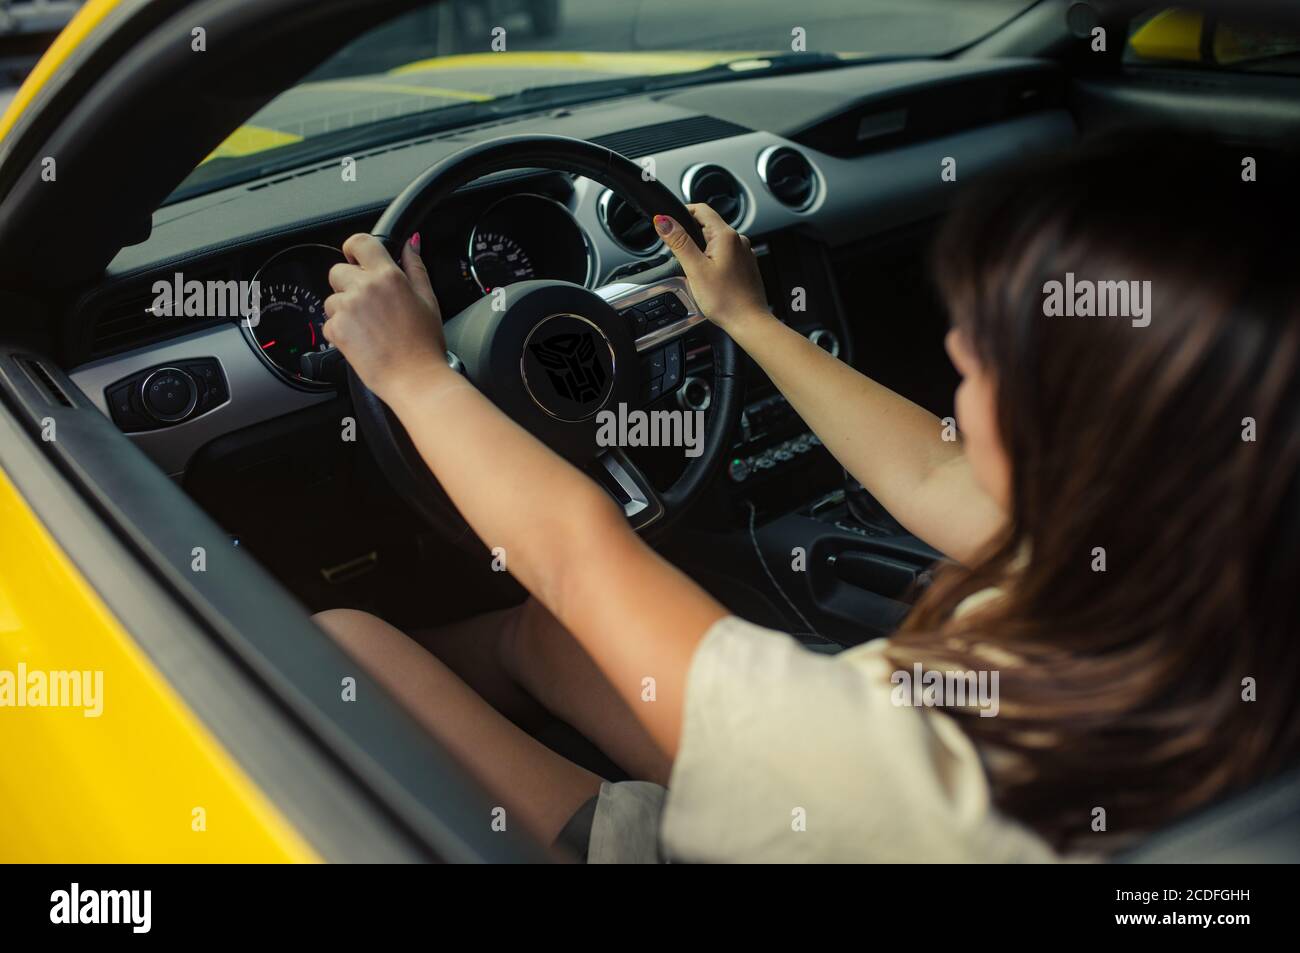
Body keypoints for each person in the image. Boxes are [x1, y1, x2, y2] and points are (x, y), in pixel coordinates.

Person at [313, 134, 1300, 862]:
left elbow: (580, 555)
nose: (954, 347)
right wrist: (744, 318)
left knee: (346, 640)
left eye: (992, 353)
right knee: (550, 637)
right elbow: (934, 474)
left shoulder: (920, 772)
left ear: (1093, 448)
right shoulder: (1205, 566)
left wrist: (412, 374)